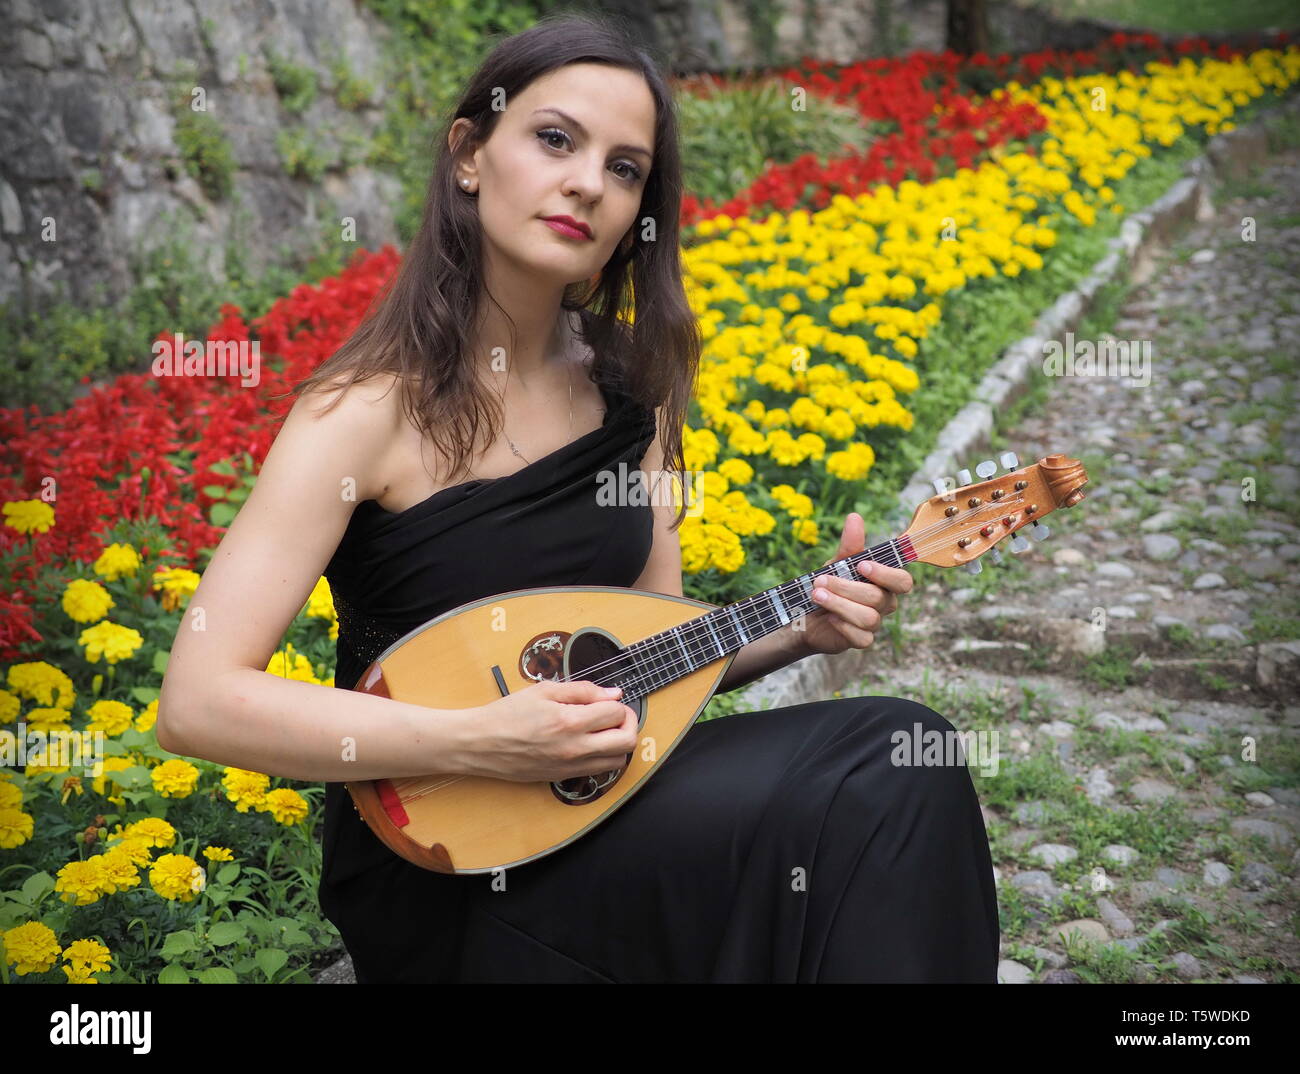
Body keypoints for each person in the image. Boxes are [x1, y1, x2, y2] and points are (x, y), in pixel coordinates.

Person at [158, 12, 999, 983]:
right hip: (450, 860)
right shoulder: (362, 414)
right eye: (556, 139)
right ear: (469, 155)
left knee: (898, 754)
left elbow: (655, 650)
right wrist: (479, 740)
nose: (588, 182)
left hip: (607, 805)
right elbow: (198, 703)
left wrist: (799, 629)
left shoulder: (625, 385)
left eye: (626, 167)